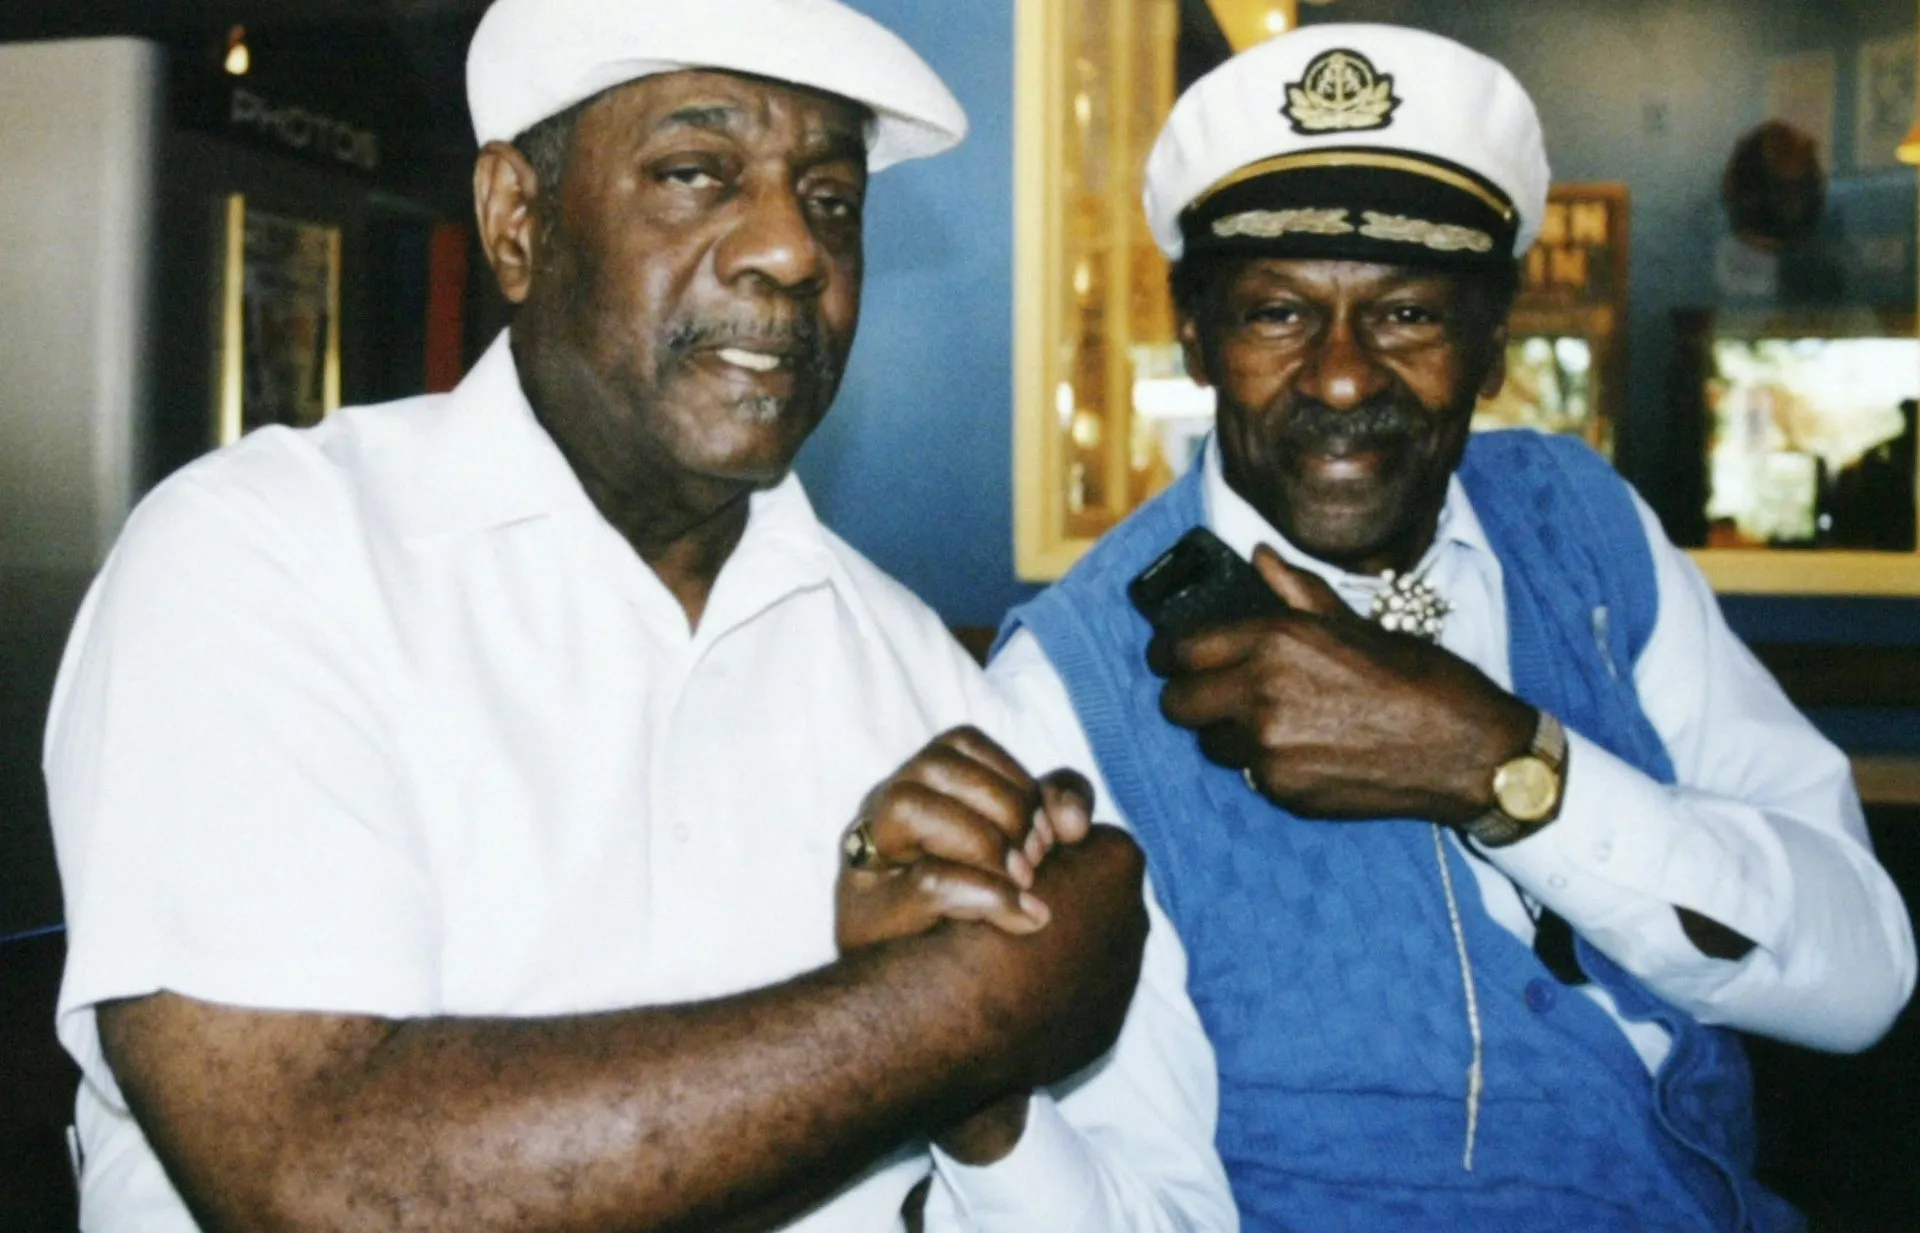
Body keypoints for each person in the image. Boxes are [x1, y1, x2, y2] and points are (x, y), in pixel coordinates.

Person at [43, 1, 1238, 1229]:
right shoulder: (268, 560)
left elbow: (1167, 1211)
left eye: (831, 198)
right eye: (694, 174)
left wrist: (989, 1114)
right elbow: (324, 1177)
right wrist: (956, 1016)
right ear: (518, 221)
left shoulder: (920, 678)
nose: (790, 250)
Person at [990, 23, 1917, 1232]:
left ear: (1491, 343)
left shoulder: (1585, 529)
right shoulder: (1068, 688)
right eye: (1277, 313)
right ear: (1195, 335)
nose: (1339, 377)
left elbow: (1862, 979)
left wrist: (1505, 768)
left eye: (1410, 314)